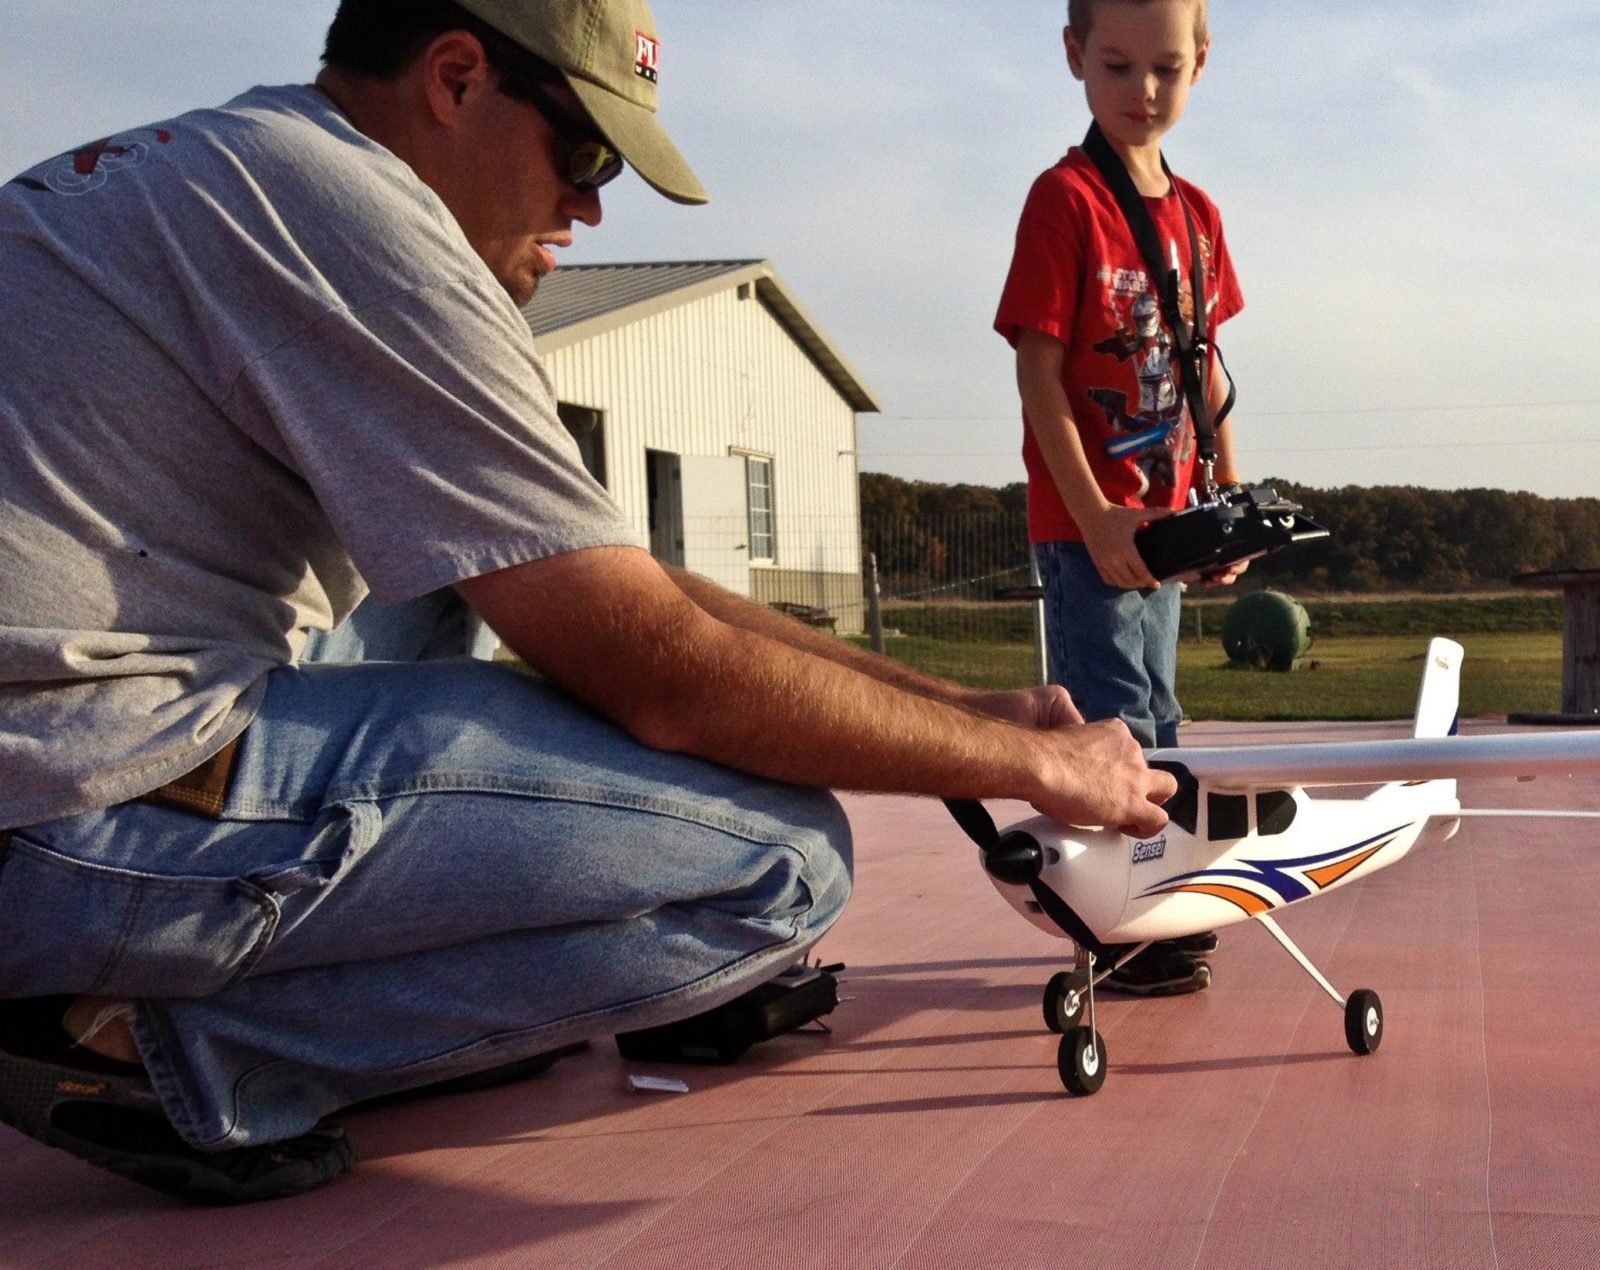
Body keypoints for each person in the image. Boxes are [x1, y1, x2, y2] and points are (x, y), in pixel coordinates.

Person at [0, 0, 1178, 1205]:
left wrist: (962, 701)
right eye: (585, 152)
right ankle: (153, 1053)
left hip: (42, 772)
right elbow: (659, 669)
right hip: (65, 810)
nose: (592, 206)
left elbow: (617, 574)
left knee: (454, 615)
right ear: (455, 78)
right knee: (779, 862)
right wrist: (1028, 767)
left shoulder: (218, 169)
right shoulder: (361, 219)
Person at [994, 0, 1246, 997]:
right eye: (1116, 65)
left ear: (1200, 61)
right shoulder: (1064, 200)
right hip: (1093, 530)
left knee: (1162, 718)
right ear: (1073, 57)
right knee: (1115, 721)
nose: (1143, 91)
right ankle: (1121, 923)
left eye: (1166, 69)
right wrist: (1095, 514)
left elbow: (1208, 368)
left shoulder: (1198, 218)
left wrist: (1226, 496)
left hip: (1167, 525)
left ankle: (1157, 897)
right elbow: (1038, 376)